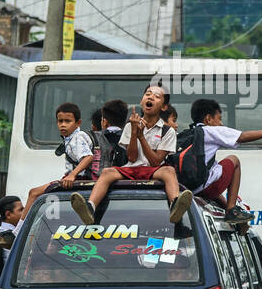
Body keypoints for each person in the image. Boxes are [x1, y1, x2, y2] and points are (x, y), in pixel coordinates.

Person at [72, 84, 187, 224]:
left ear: (164, 107)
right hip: (131, 168)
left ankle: (175, 205)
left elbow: (156, 162)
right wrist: (134, 132)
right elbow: (131, 158)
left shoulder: (167, 131)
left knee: (169, 171)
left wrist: (141, 137)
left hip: (154, 170)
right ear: (141, 101)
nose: (150, 97)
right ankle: (90, 207)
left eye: (157, 96)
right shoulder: (129, 125)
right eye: (148, 94)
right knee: (108, 172)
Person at [173, 98, 262, 224]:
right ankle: (232, 210)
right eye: (219, 118)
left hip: (186, 188)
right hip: (202, 187)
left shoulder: (187, 133)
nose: (221, 123)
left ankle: (227, 208)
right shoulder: (211, 130)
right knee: (234, 160)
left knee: (214, 171)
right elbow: (242, 137)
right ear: (208, 119)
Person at [23, 103, 93, 214]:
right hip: (71, 178)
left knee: (34, 193)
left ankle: (17, 231)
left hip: (78, 178)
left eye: (67, 121)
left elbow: (88, 157)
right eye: (60, 121)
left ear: (78, 123)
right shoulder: (69, 138)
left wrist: (72, 175)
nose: (63, 125)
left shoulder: (78, 137)